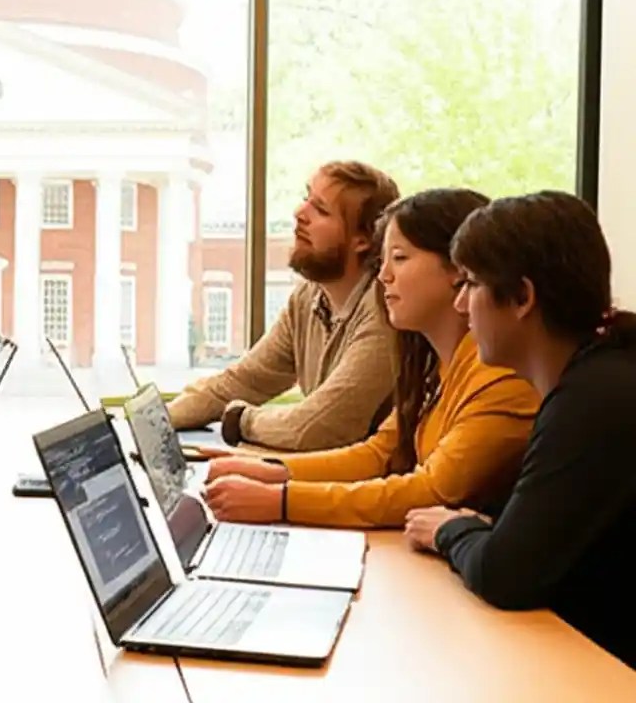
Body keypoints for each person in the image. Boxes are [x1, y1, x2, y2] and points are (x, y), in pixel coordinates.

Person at [200, 188, 540, 528]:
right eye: (383, 262)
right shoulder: (433, 367)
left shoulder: (500, 376)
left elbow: (432, 489)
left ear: (459, 268)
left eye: (401, 258)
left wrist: (282, 500)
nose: (383, 276)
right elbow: (379, 453)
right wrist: (273, 471)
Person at [402, 192, 636, 669]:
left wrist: (452, 529)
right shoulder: (599, 375)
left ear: (524, 297)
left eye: (470, 283)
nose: (461, 304)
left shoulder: (594, 398)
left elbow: (504, 574)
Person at [166, 161, 399, 451]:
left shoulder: (386, 311)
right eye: (306, 199)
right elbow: (240, 382)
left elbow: (317, 428)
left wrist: (241, 420)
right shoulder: (308, 298)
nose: (300, 214)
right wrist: (155, 423)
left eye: (321, 210)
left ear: (362, 242)